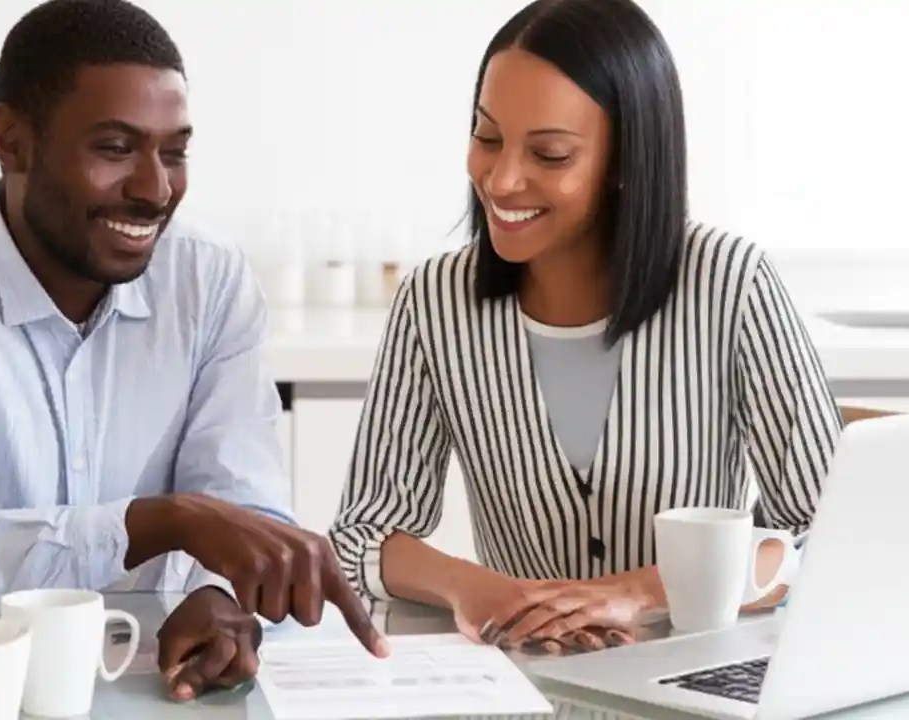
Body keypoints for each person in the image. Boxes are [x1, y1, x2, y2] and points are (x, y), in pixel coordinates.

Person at [0, 0, 386, 701]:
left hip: (152, 679)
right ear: (12, 141)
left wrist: (222, 597)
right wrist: (157, 521)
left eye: (175, 151)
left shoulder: (209, 280)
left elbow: (246, 506)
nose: (156, 190)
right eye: (115, 149)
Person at [330, 0, 841, 654]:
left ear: (626, 162)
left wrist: (643, 590)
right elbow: (363, 534)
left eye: (549, 153)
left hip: (689, 682)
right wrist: (478, 590)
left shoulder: (729, 282)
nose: (502, 178)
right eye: (487, 138)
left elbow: (825, 531)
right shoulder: (435, 300)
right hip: (521, 683)